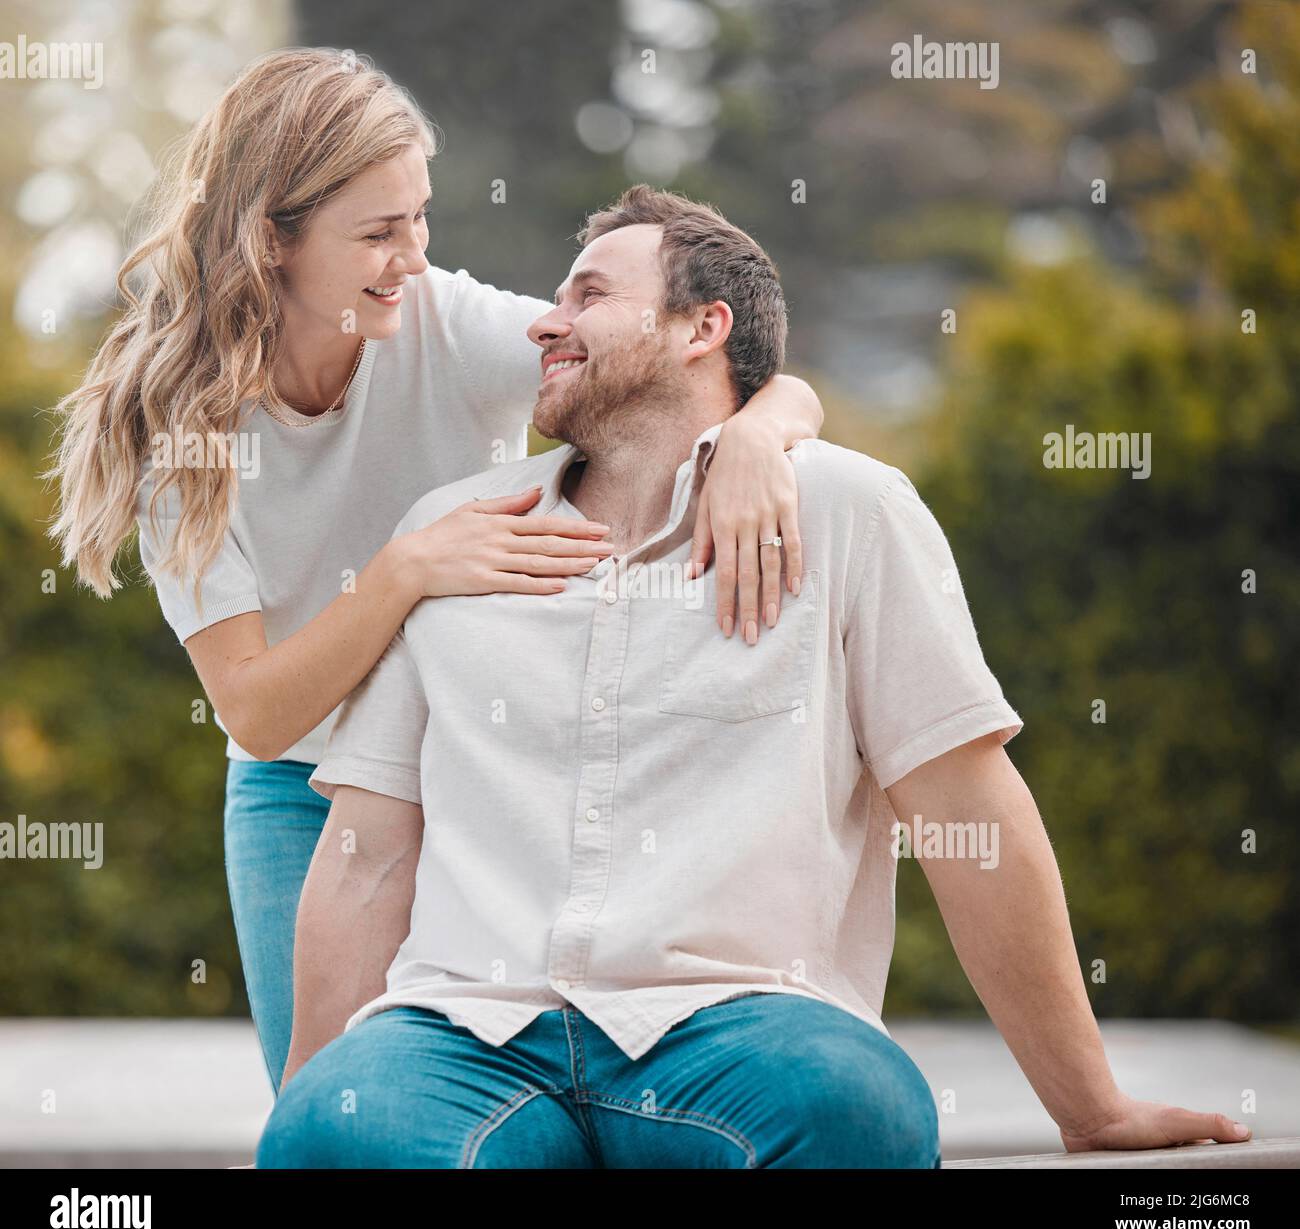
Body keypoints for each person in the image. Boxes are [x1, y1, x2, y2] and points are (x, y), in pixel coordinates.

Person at [256, 185, 1253, 1168]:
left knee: (859, 1110)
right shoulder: (454, 532)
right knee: (336, 1133)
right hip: (465, 1032)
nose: (546, 324)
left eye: (588, 295)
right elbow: (365, 854)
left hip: (739, 1030)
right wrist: (294, 1120)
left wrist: (1090, 1108)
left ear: (703, 326)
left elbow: (968, 812)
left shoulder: (849, 511)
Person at [44, 49, 826, 1095]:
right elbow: (255, 714)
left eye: (418, 218)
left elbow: (719, 378)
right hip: (298, 795)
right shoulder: (181, 428)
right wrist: (407, 567)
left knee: (521, 1092)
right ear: (272, 238)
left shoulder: (442, 321)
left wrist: (757, 442)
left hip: (476, 773)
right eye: (376, 231)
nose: (410, 256)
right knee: (331, 1113)